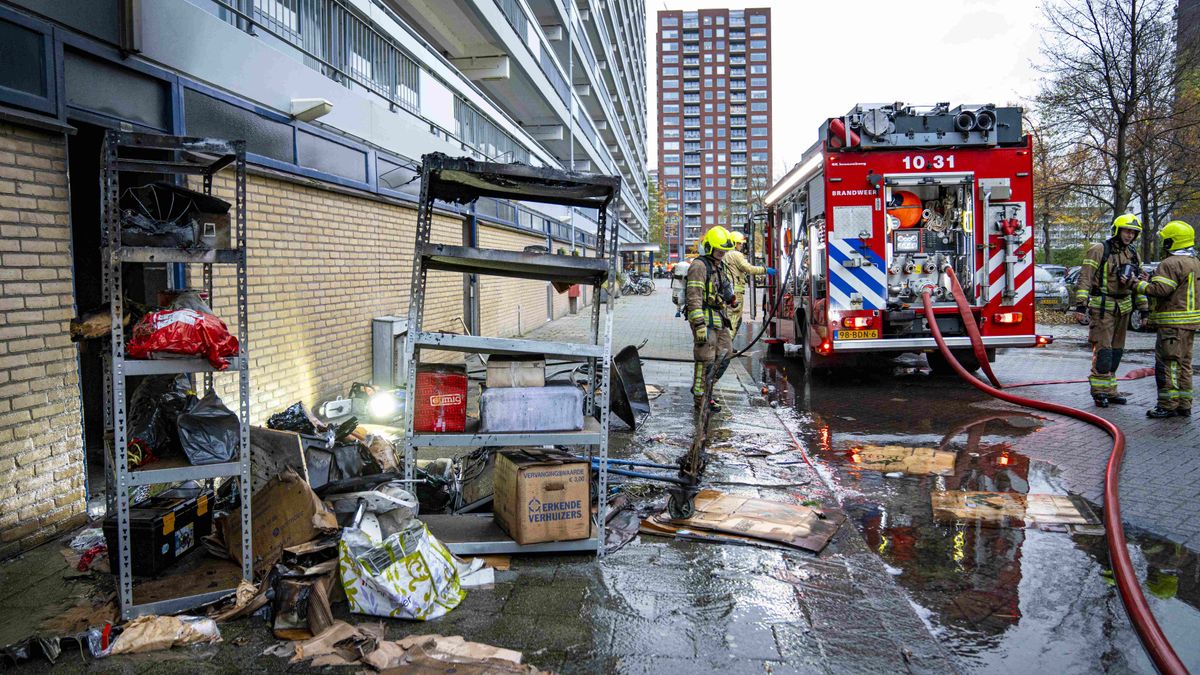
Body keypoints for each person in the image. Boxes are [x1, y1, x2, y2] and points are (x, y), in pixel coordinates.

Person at [1073, 214, 1150, 407]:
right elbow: (1085, 277)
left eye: (1133, 232)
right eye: (1126, 231)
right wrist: (1081, 305)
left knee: (1116, 352)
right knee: (1104, 352)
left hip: (1123, 309)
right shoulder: (1100, 249)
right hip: (1103, 309)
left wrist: (1144, 310)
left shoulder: (1133, 253)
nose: (1129, 235)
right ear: (1117, 230)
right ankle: (1099, 392)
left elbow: (1138, 283)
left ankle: (1111, 390)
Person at [1135, 220, 1199, 418]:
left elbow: (1161, 290)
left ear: (1172, 241)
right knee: (1184, 365)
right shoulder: (1194, 261)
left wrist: (1137, 285)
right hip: (1189, 324)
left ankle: (1167, 405)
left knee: (1168, 364)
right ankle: (1184, 404)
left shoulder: (1170, 263)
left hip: (1172, 325)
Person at [685, 226, 737, 411]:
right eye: (719, 250)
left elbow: (724, 285)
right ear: (709, 247)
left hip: (718, 317)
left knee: (726, 352)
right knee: (705, 358)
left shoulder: (719, 265)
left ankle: (706, 388)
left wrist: (731, 297)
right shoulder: (699, 266)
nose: (722, 253)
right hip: (704, 318)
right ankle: (701, 399)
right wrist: (698, 323)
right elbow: (694, 295)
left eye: (724, 251)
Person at [723, 231, 776, 337]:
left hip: (728, 290)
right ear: (733, 243)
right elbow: (748, 268)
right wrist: (765, 270)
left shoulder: (725, 255)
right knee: (735, 318)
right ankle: (727, 345)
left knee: (729, 317)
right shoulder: (736, 255)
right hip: (736, 292)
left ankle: (724, 345)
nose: (741, 245)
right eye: (739, 243)